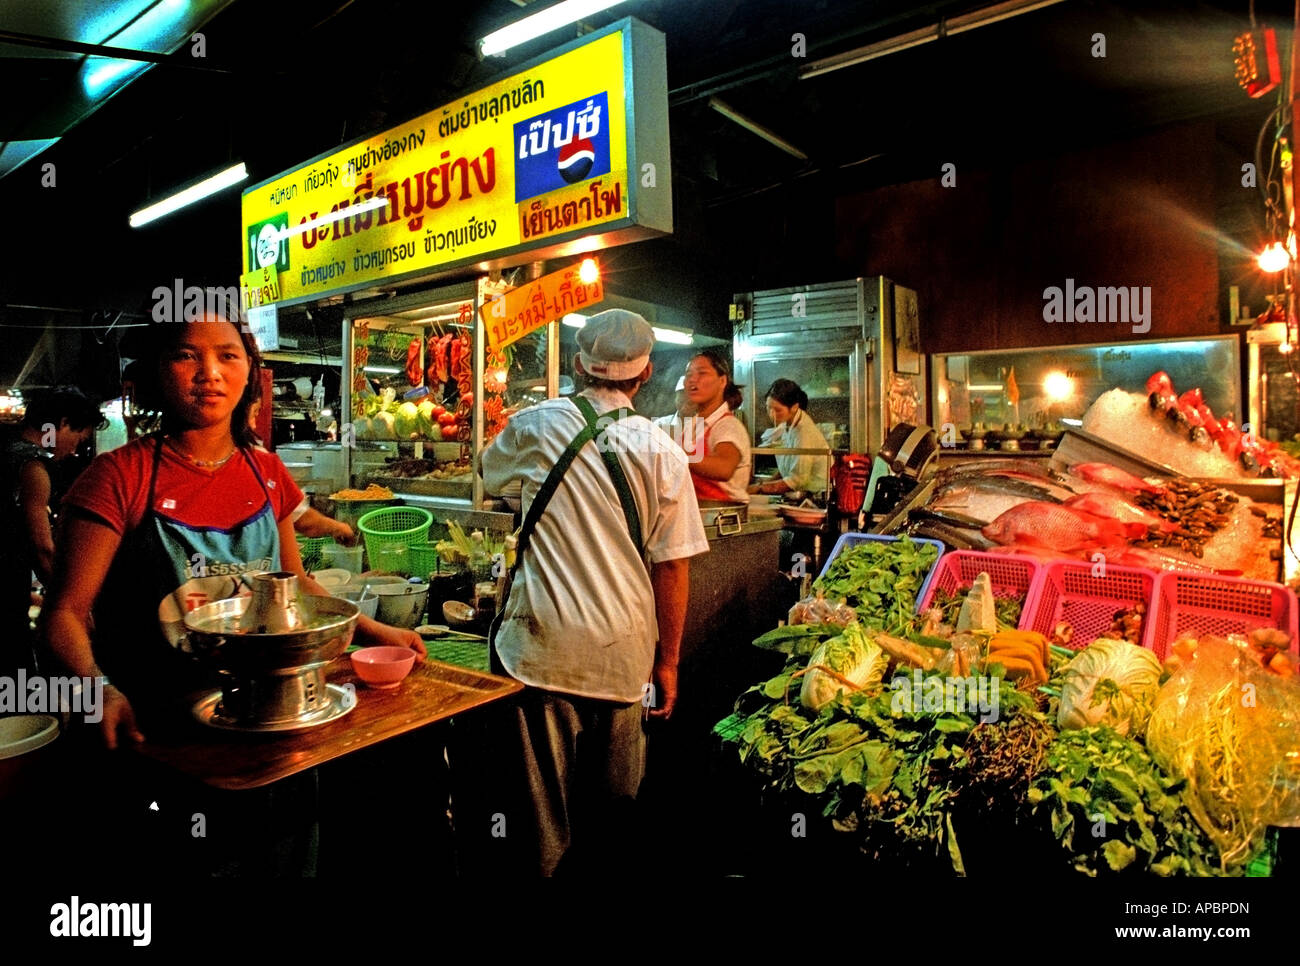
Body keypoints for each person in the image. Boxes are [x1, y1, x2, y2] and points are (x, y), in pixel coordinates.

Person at [41, 297, 423, 748]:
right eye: (186, 355)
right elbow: (63, 613)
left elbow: (295, 586)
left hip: (265, 714)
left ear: (248, 372)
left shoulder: (267, 473)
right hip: (152, 725)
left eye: (227, 355)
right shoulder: (118, 477)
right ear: (157, 371)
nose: (209, 372)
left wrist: (377, 633)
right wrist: (97, 689)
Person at [478, 308, 708, 876]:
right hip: (624, 658)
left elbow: (488, 473)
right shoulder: (664, 451)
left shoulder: (535, 424)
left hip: (540, 653)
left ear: (580, 364)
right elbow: (672, 570)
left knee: (540, 828)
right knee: (613, 825)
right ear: (646, 371)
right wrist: (669, 664)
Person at [0, 387, 105, 676]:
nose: (73, 450)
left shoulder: (7, 451)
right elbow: (42, 550)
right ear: (60, 423)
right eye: (77, 438)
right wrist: (69, 608)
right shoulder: (32, 468)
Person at [662, 349, 751, 504]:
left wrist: (677, 454)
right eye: (689, 374)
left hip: (722, 517)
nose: (692, 380)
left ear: (722, 381)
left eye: (702, 373)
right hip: (695, 512)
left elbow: (724, 468)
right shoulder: (695, 424)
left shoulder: (727, 425)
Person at [748, 378, 831, 497]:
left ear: (794, 407)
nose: (772, 414)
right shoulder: (786, 424)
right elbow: (789, 469)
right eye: (768, 408)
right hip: (799, 494)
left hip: (816, 496)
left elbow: (798, 480)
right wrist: (765, 482)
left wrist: (760, 488)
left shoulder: (804, 432)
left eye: (777, 410)